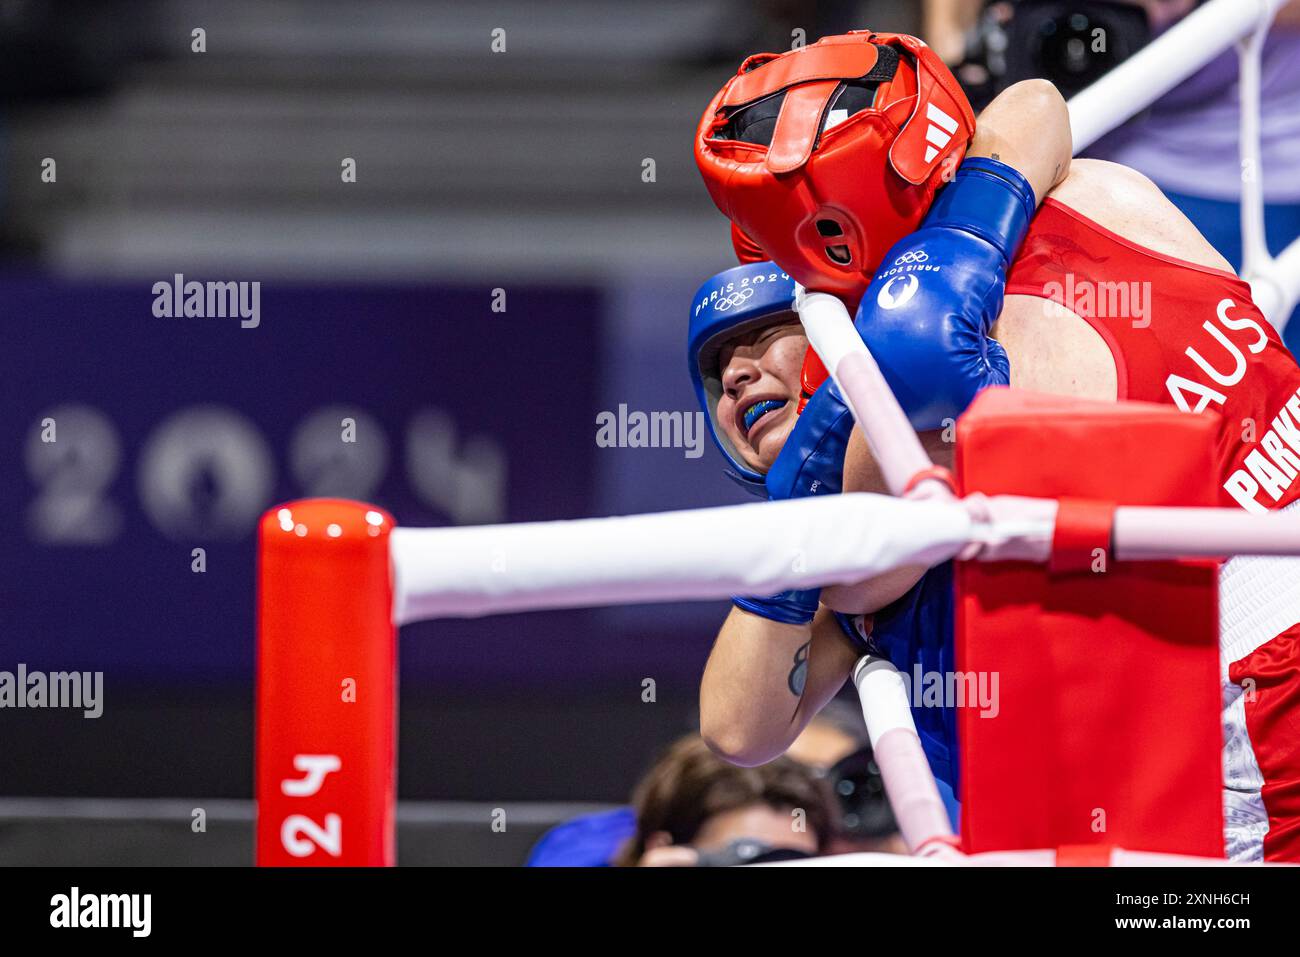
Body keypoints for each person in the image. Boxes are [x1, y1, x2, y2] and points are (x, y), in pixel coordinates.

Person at [691, 29, 1300, 862]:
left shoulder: (907, 422)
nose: (743, 376)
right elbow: (1032, 106)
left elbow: (1031, 106)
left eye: (770, 337)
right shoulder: (1105, 192)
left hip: (1258, 695)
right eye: (725, 366)